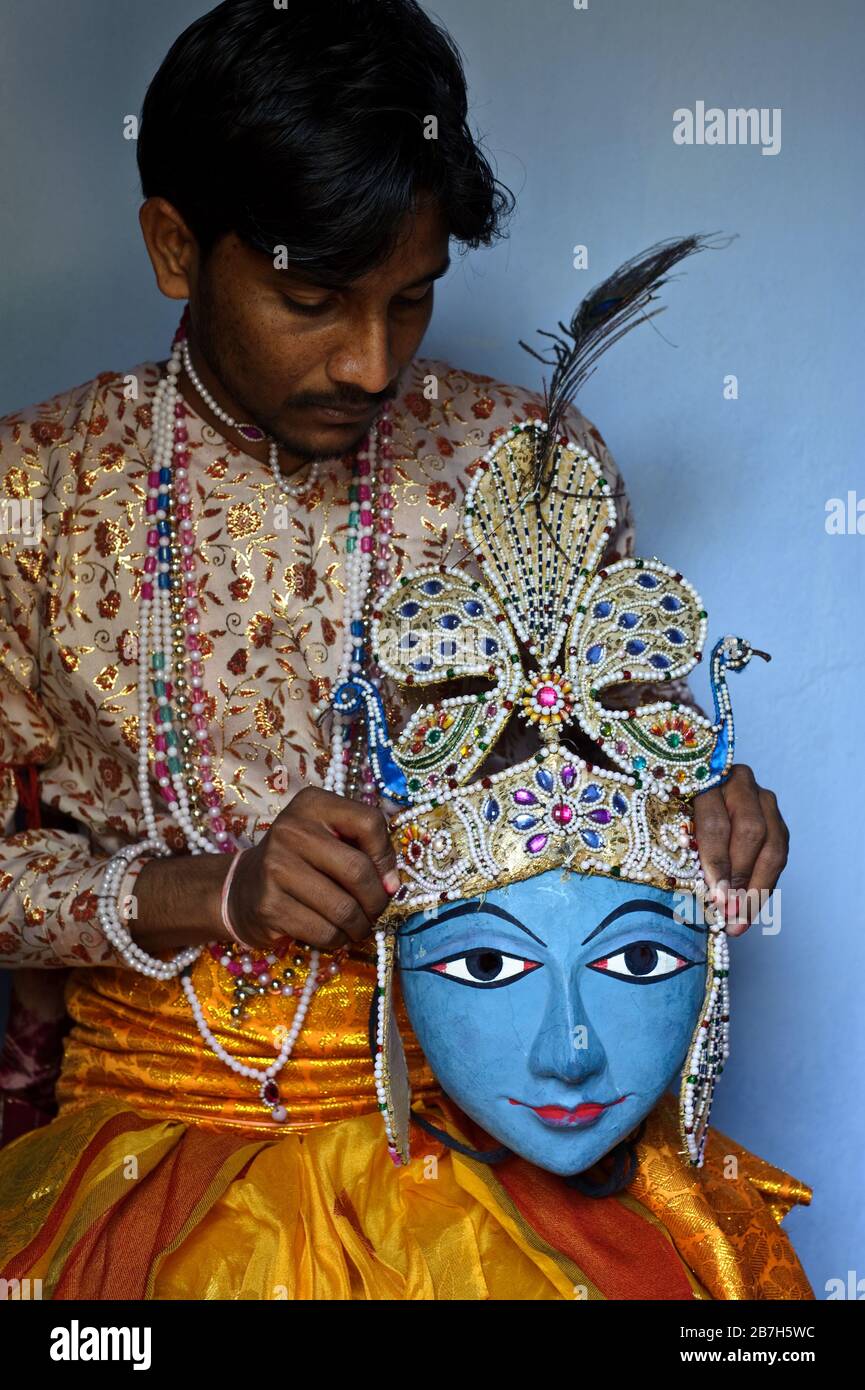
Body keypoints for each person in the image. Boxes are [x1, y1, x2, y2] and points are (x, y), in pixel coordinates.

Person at [0, 0, 797, 1300]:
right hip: (150, 1167)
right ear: (172, 245)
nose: (371, 363)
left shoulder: (526, 468)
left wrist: (695, 821)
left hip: (486, 1159)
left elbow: (612, 805)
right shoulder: (31, 489)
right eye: (312, 300)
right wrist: (215, 889)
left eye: (410, 301)